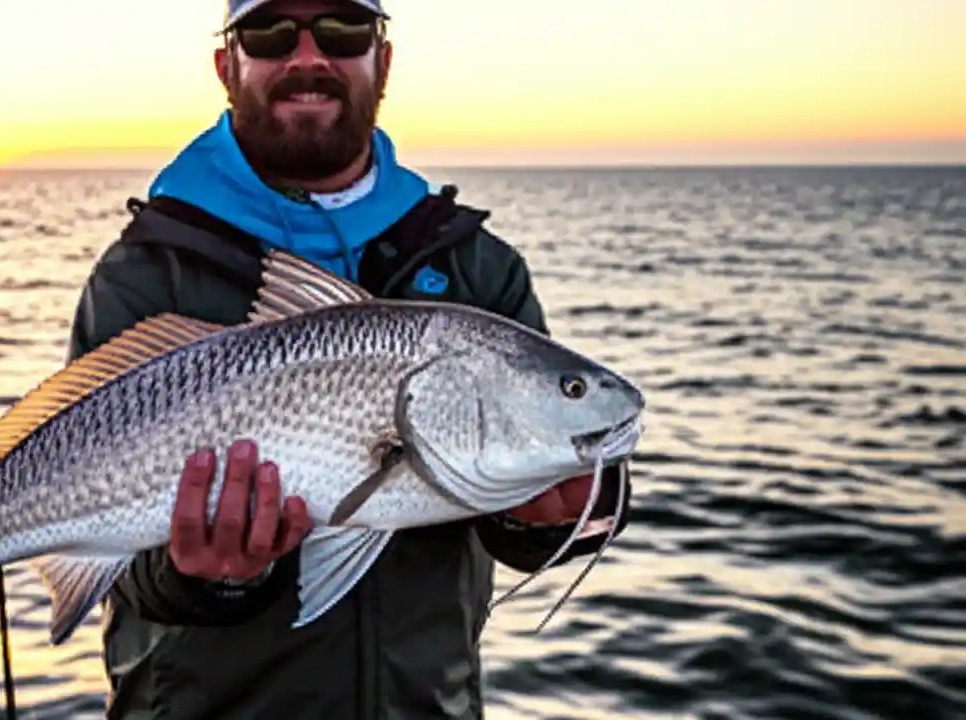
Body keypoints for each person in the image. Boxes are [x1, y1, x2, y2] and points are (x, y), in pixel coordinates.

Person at [64, 0, 633, 717]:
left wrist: (559, 514)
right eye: (269, 33)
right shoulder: (145, 275)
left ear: (383, 60)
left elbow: (543, 487)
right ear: (226, 66)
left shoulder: (477, 272)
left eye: (343, 30)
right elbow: (113, 551)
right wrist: (207, 576)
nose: (308, 57)